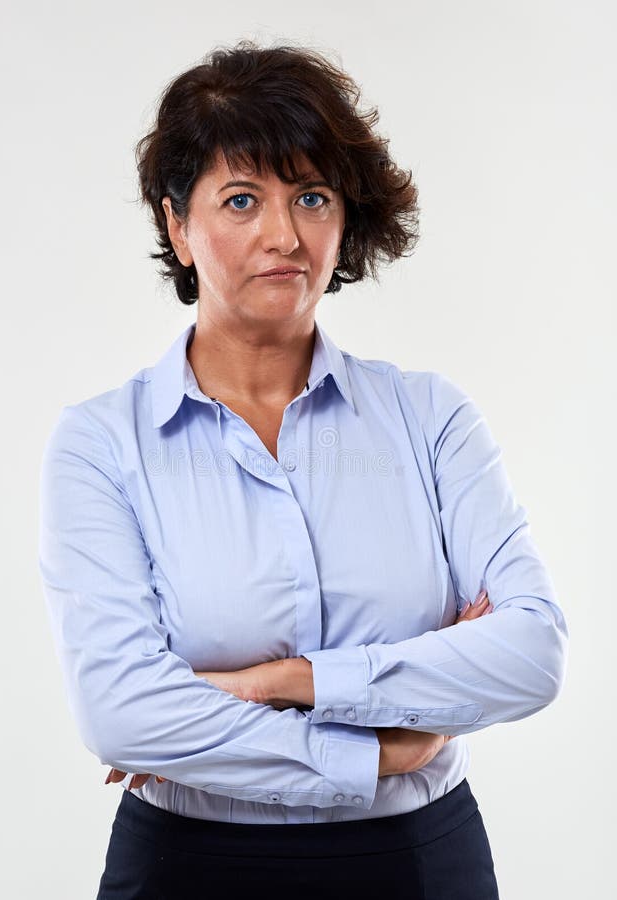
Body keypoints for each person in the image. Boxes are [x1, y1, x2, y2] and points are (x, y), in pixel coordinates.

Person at [38, 40, 569, 899]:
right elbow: (122, 712)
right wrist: (377, 747)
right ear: (178, 225)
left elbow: (531, 652)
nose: (283, 236)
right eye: (241, 200)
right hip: (188, 868)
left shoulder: (429, 417)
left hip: (419, 863)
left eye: (311, 197)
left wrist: (286, 683)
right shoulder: (103, 444)